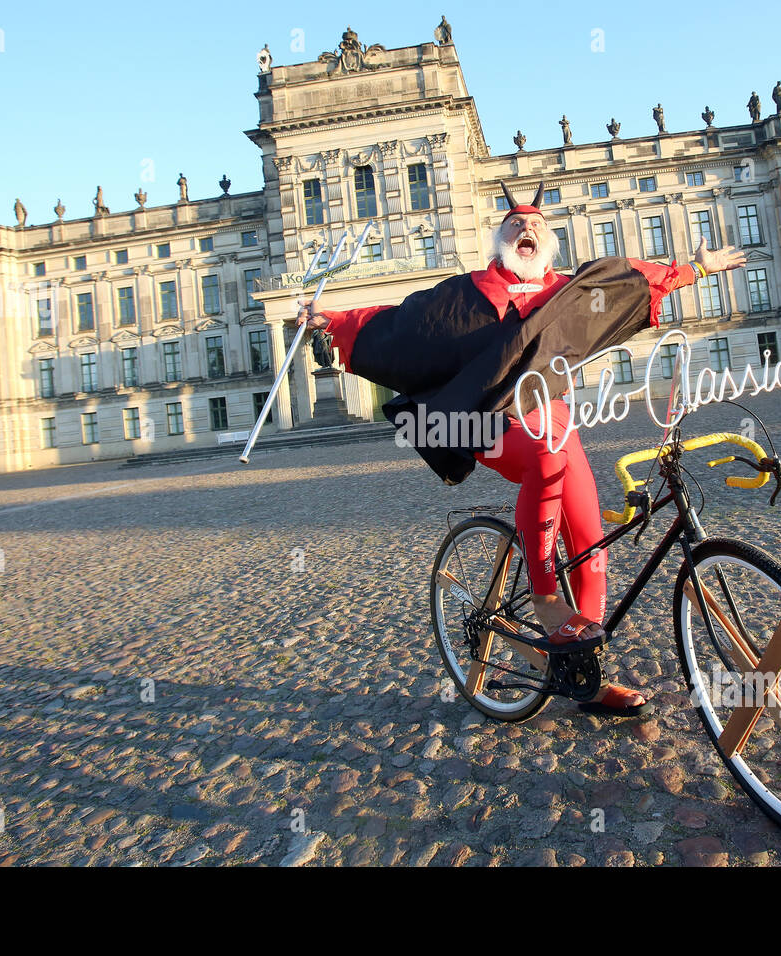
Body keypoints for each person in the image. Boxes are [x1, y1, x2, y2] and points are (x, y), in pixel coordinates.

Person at [297, 182, 746, 714]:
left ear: (549, 241)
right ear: (499, 240)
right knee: (546, 459)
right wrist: (333, 321)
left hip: (554, 421)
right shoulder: (463, 294)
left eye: (535, 225)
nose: (525, 228)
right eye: (515, 225)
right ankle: (546, 598)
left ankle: (587, 676)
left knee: (589, 535)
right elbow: (402, 323)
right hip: (481, 419)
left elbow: (629, 282)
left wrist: (694, 269)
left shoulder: (570, 293)